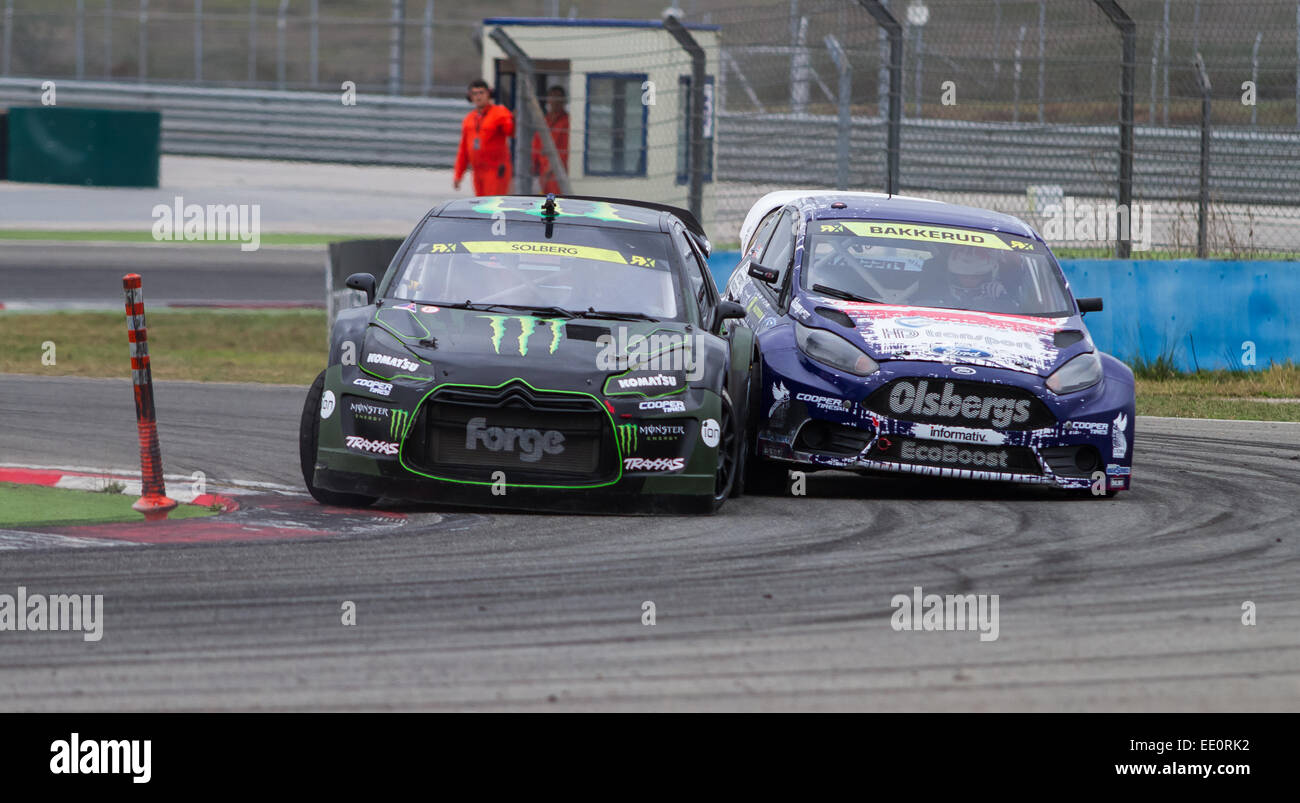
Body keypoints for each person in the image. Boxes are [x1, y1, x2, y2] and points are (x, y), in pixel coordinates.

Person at [454, 80, 515, 196]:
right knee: (481, 207)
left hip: (496, 170)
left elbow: (511, 131)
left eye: (481, 93)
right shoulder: (469, 119)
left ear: (488, 94)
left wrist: (512, 119)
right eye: (475, 94)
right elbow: (463, 150)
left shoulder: (499, 113)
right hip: (477, 171)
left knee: (493, 205)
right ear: (470, 97)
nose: (478, 97)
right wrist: (458, 174)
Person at [530, 86, 570, 195]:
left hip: (557, 173)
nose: (555, 101)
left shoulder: (567, 122)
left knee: (556, 203)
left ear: (564, 100)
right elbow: (536, 145)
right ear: (548, 100)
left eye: (558, 97)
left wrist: (551, 168)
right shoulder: (545, 121)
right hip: (542, 174)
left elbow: (565, 149)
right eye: (552, 97)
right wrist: (532, 167)